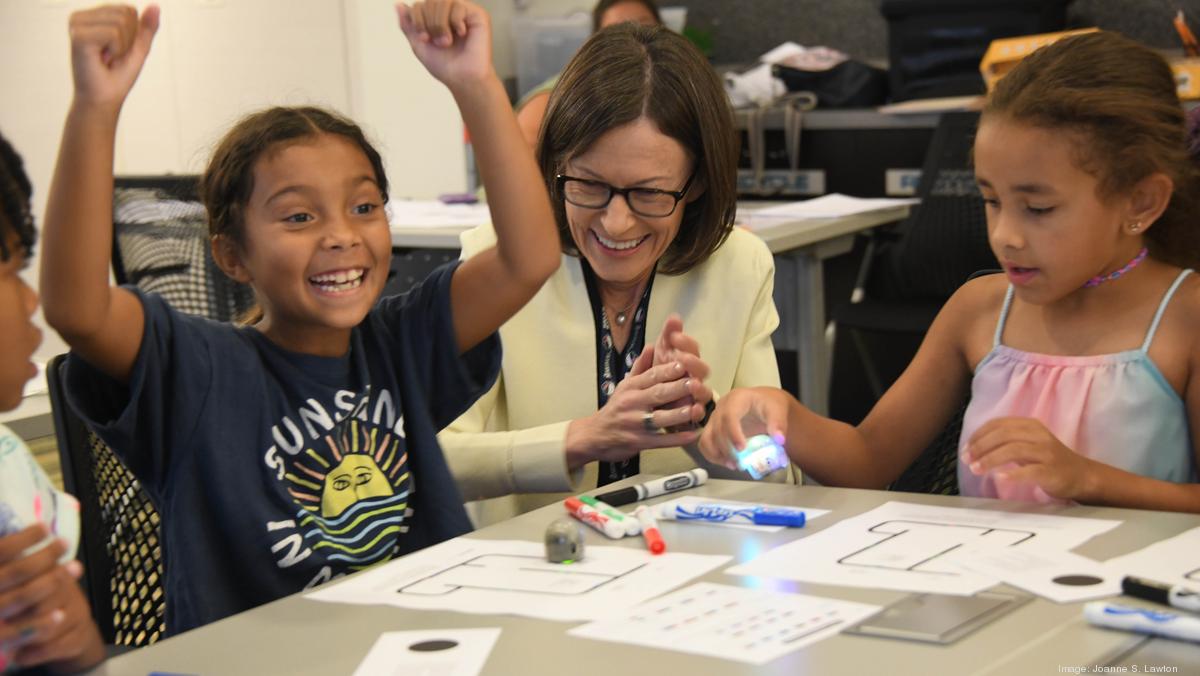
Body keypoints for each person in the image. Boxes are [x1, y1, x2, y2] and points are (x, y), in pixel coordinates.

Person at [39, 0, 558, 635]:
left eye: (364, 206)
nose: (342, 235)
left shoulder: (401, 344)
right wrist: (97, 107)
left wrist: (474, 83)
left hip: (415, 647)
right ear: (232, 256)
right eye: (298, 216)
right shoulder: (200, 374)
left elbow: (530, 257)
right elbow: (77, 307)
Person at [700, 31, 1200, 512]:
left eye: (1039, 209)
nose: (1006, 234)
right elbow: (870, 460)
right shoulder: (979, 308)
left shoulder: (1186, 316)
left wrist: (1087, 478)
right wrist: (786, 413)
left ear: (1142, 201)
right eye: (991, 200)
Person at [443, 23, 786, 525]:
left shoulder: (739, 265)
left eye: (649, 193)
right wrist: (584, 437)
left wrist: (702, 421)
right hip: (532, 570)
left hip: (688, 573)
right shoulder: (496, 263)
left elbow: (779, 478)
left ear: (697, 184)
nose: (615, 222)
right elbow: (428, 459)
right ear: (556, 165)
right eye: (587, 184)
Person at [0, 132, 105, 673]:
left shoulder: (9, 463)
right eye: (12, 270)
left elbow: (78, 657)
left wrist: (66, 632)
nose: (30, 299)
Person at [515, 0, 661, 148]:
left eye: (644, 26)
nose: (634, 38)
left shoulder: (677, 82)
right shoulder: (562, 92)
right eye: (617, 32)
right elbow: (523, 149)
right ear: (597, 42)